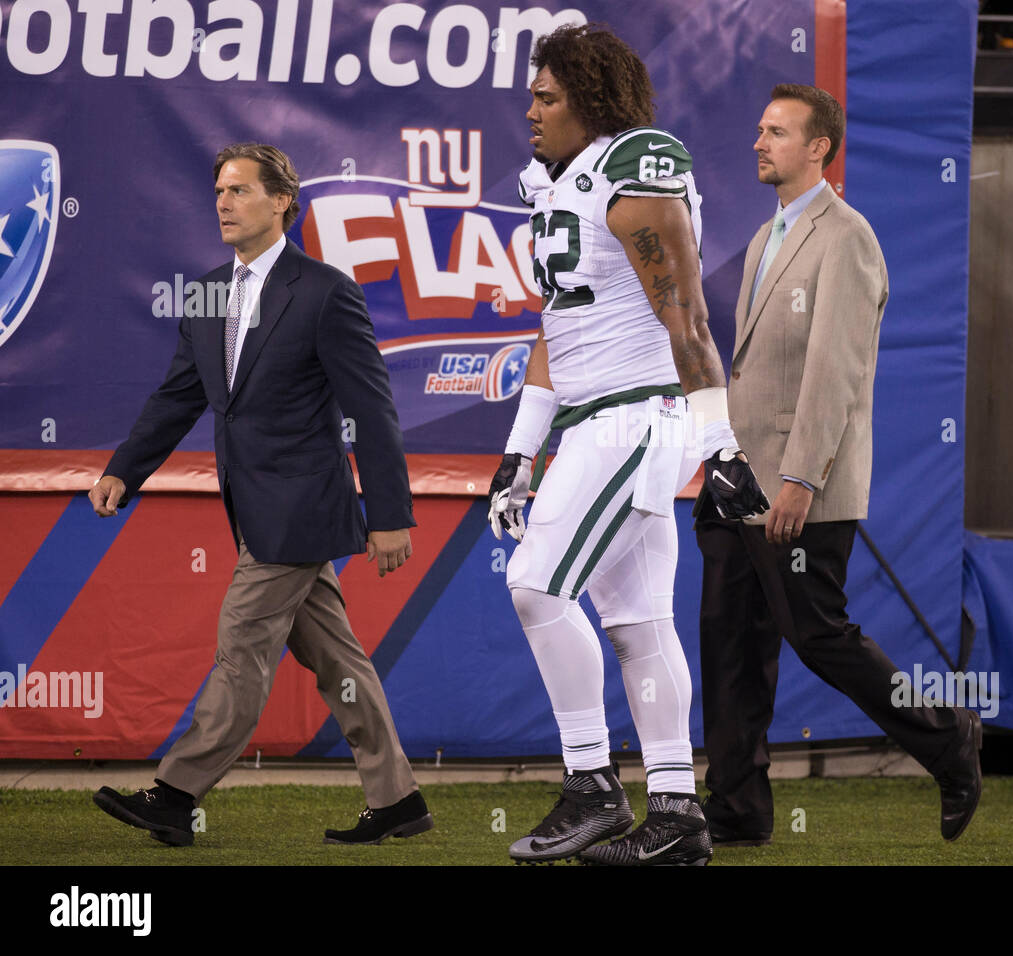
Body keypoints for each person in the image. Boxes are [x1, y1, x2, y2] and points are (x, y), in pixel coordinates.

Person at [87, 143, 430, 847]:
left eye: (240, 190)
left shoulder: (326, 290)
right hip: (252, 509)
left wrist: (389, 516)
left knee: (241, 647)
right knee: (338, 661)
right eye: (218, 189)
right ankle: (397, 800)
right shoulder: (208, 291)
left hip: (301, 509)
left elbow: (372, 409)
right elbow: (180, 395)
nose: (223, 201)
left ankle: (174, 794)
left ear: (281, 201)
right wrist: (126, 466)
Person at [488, 24, 768, 867]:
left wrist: (721, 446)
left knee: (535, 586)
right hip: (588, 415)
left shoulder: (634, 164)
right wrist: (518, 452)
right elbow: (555, 329)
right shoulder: (561, 184)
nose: (530, 112)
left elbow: (685, 313)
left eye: (547, 97)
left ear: (591, 100)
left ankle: (591, 782)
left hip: (633, 413)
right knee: (639, 625)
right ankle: (678, 811)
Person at [693, 85, 983, 848]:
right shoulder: (765, 238)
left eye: (777, 131)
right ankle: (737, 808)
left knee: (818, 636)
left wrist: (802, 476)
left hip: (795, 485)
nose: (759, 141)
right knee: (728, 645)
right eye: (758, 128)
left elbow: (834, 368)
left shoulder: (847, 236)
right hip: (733, 481)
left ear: (819, 147)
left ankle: (947, 738)